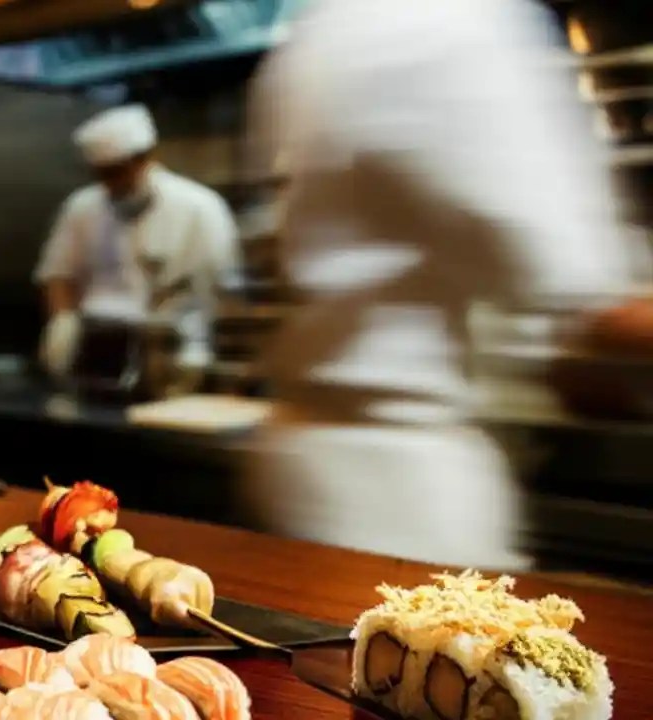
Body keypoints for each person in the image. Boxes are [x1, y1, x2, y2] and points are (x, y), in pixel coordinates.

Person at [240, 0, 642, 569]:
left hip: (309, 450)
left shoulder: (316, 30)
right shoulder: (459, 24)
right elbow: (596, 302)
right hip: (397, 487)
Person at [35, 104, 240, 395]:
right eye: (102, 175)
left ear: (146, 159)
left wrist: (196, 345)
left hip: (172, 355)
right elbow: (58, 274)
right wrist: (63, 322)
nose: (111, 185)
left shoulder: (201, 208)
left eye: (119, 173)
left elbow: (220, 291)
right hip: (94, 354)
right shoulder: (81, 208)